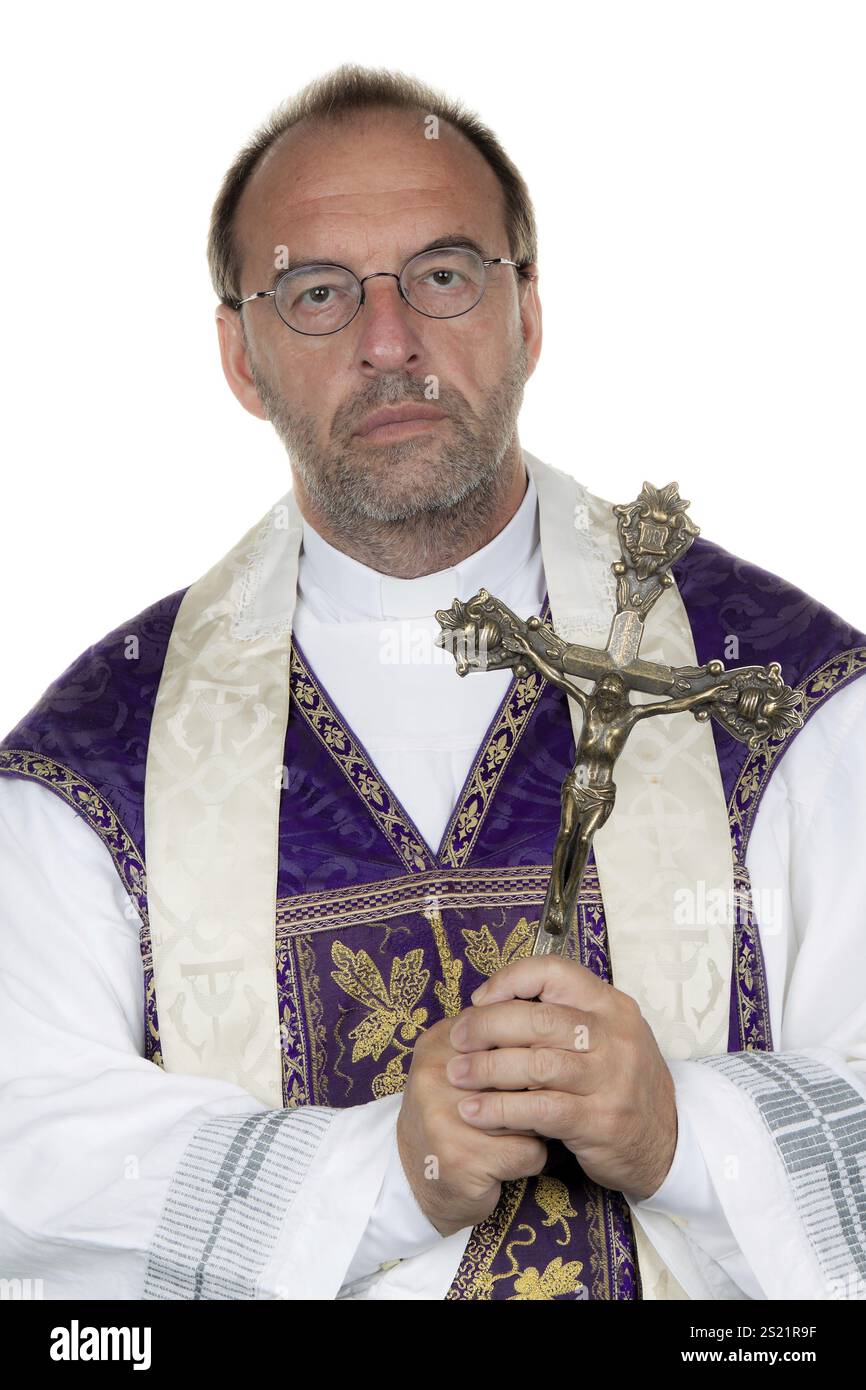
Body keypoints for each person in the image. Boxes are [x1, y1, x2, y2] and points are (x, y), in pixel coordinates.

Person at [1, 64, 865, 1302]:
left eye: (444, 274)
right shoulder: (96, 767)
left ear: (527, 316)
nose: (389, 339)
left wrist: (685, 1135)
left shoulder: (780, 697)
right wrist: (382, 1170)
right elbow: (21, 1160)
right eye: (316, 293)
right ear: (240, 358)